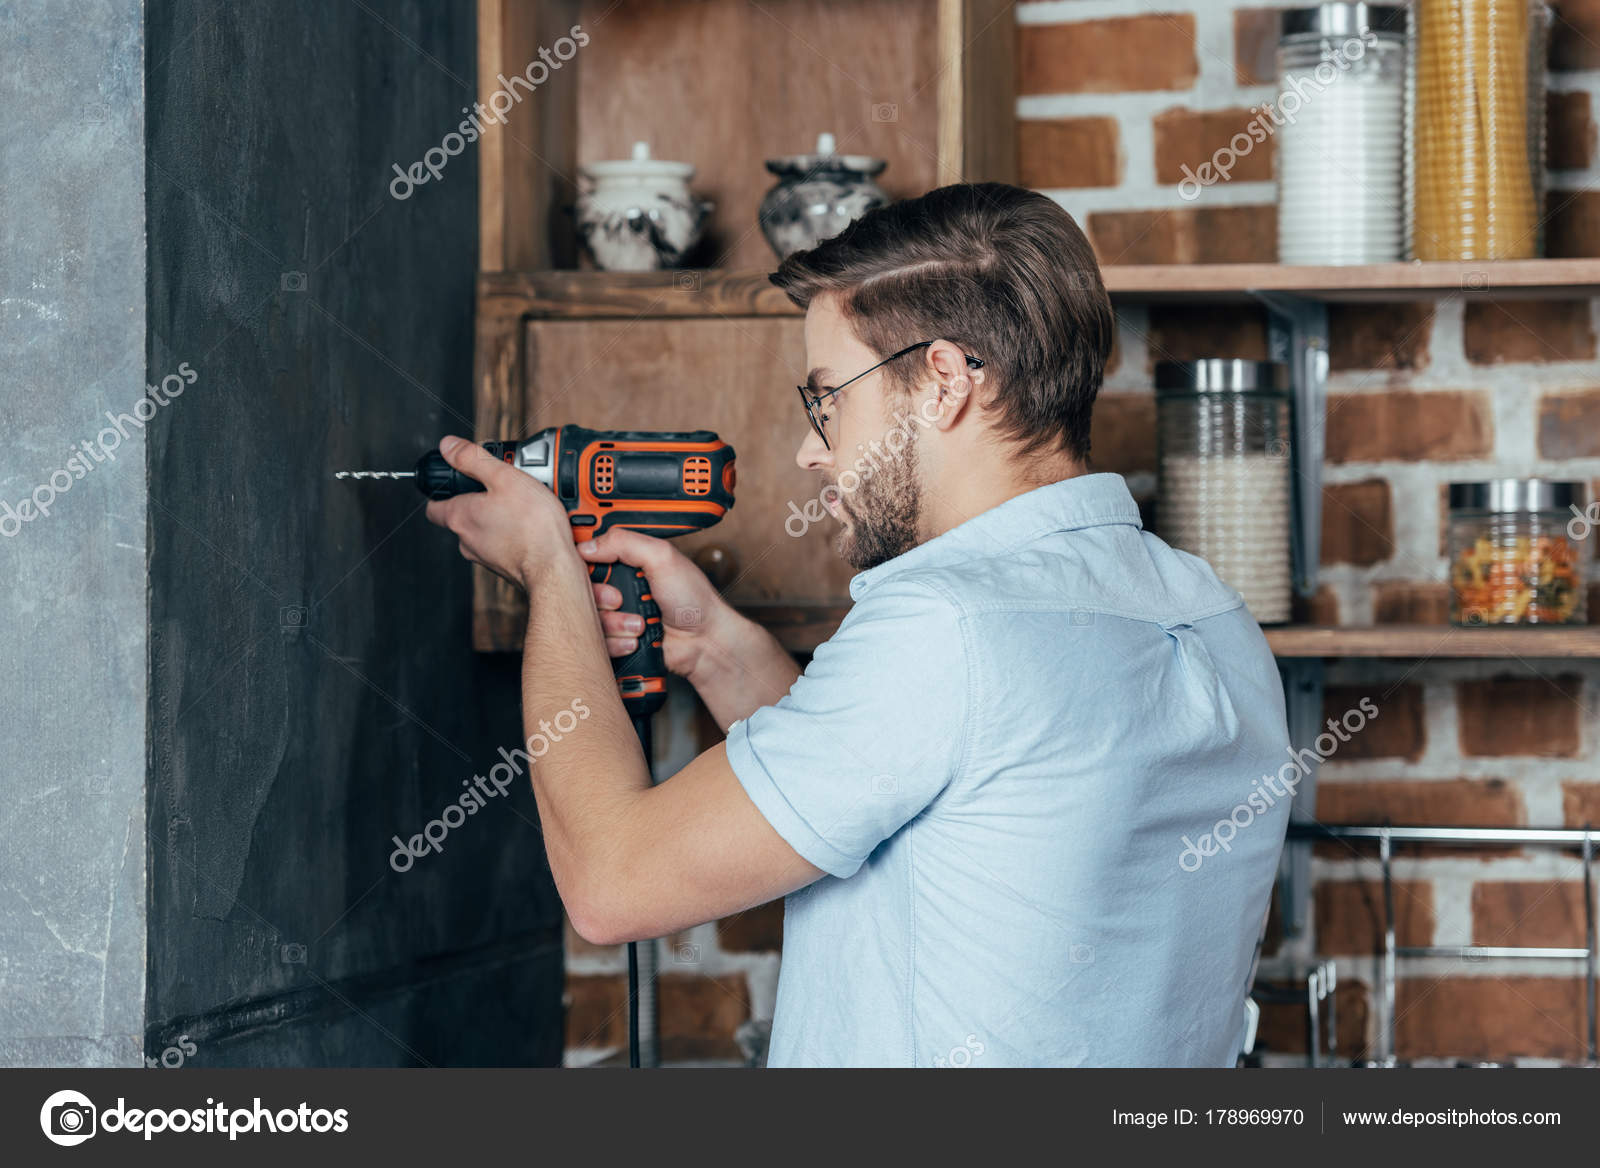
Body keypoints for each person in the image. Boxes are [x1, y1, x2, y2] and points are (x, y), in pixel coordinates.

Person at [426, 182, 1292, 1067]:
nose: (813, 448)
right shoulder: (1213, 616)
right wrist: (721, 650)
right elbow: (935, 796)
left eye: (828, 399)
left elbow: (613, 883)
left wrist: (548, 571)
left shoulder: (945, 628)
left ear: (944, 383)